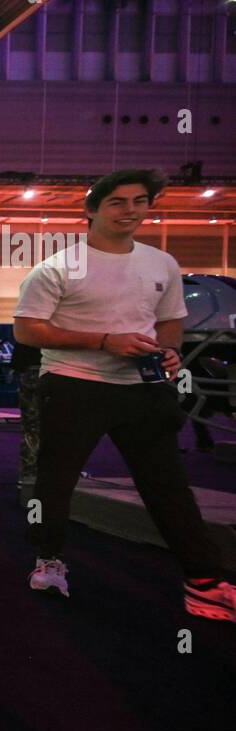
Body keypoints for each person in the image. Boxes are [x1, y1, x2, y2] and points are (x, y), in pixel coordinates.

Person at [13, 167, 234, 618]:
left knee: (168, 486)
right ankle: (49, 559)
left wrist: (170, 351)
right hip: (74, 385)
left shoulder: (161, 264)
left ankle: (205, 581)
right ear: (92, 211)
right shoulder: (57, 266)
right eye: (117, 202)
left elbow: (171, 319)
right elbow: (27, 330)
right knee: (56, 482)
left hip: (142, 388)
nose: (130, 210)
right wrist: (102, 341)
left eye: (139, 201)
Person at [13, 338, 43, 484]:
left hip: (32, 372)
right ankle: (29, 475)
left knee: (31, 428)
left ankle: (28, 474)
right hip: (48, 372)